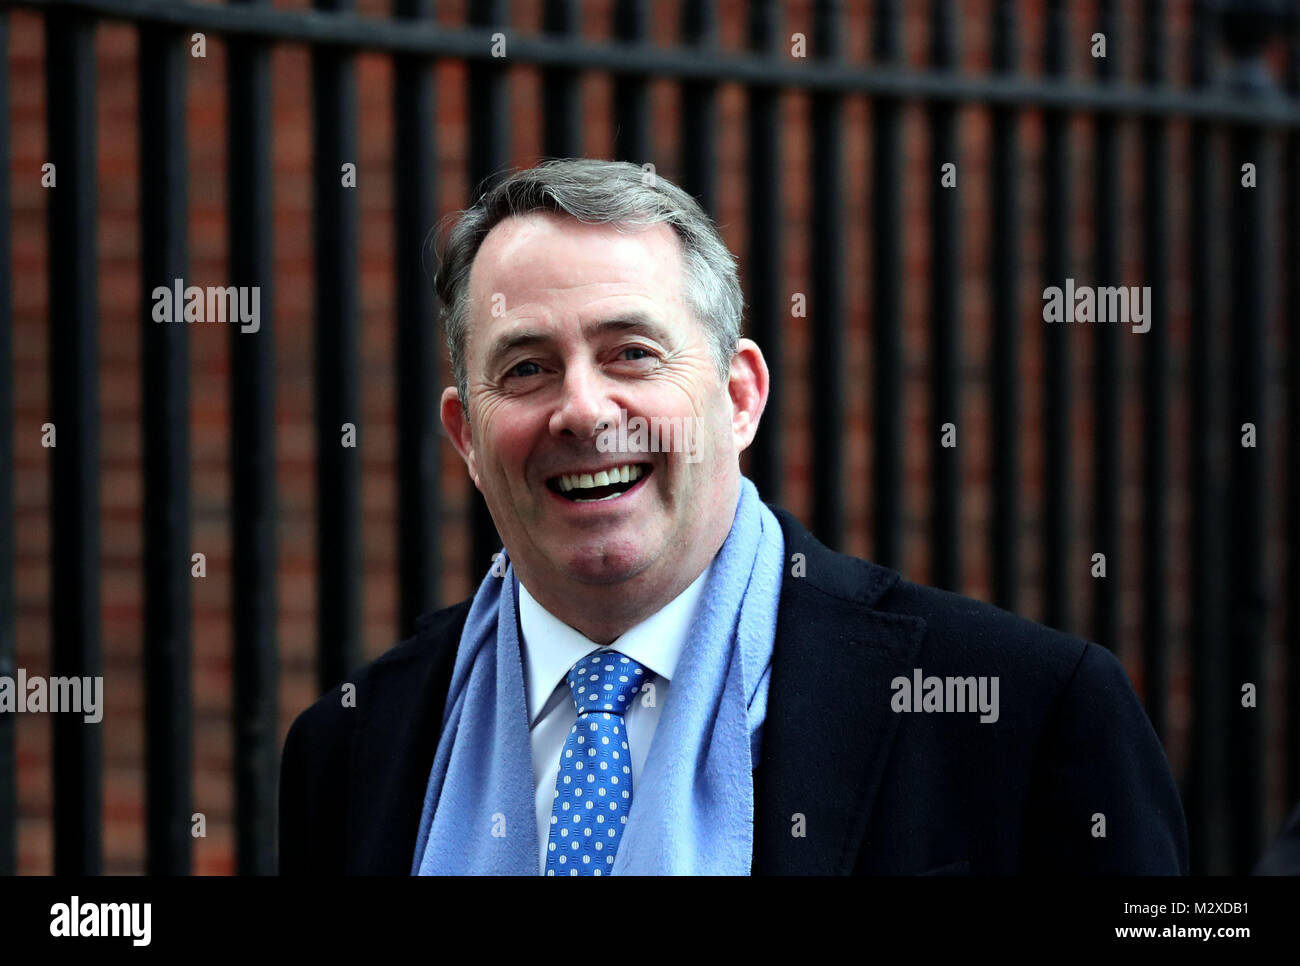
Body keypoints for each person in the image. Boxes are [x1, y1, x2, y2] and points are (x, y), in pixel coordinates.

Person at [278, 158, 1188, 875]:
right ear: (465, 437)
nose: (585, 411)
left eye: (632, 353)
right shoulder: (351, 747)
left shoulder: (1024, 710)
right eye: (526, 368)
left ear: (740, 396)